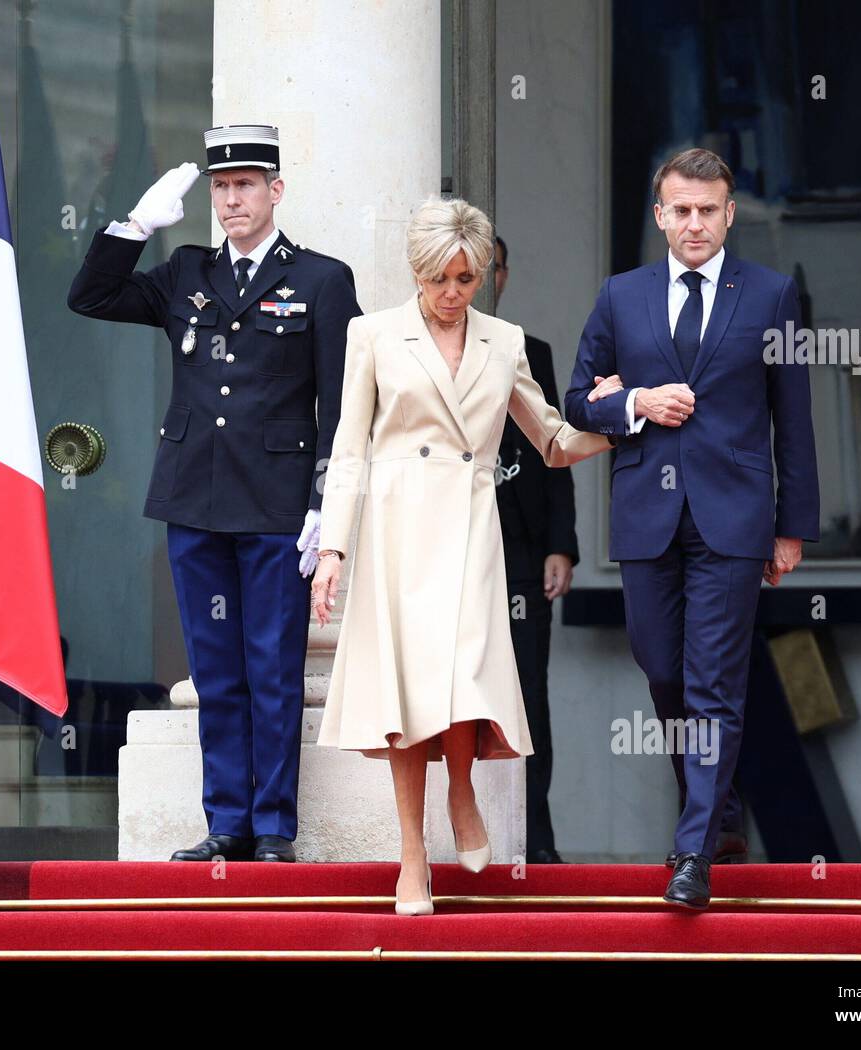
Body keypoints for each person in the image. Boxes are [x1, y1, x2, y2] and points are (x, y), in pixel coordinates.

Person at [310, 198, 618, 914]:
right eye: (441, 279)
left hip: (472, 528)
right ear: (417, 273)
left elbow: (550, 441)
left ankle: (461, 790)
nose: (453, 293)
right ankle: (412, 858)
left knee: (464, 672)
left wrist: (618, 421)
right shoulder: (374, 335)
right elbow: (348, 451)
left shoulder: (505, 342)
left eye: (467, 278)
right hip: (396, 529)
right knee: (409, 697)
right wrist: (333, 550)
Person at [67, 124, 361, 863]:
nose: (232, 200)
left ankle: (273, 828)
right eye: (222, 188)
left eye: (246, 186)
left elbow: (346, 401)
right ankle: (226, 820)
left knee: (272, 670)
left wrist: (326, 505)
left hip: (276, 504)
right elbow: (91, 296)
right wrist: (133, 226)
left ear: (275, 191)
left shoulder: (323, 279)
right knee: (216, 670)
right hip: (195, 499)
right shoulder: (186, 272)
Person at [564, 147, 819, 909]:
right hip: (647, 515)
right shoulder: (620, 295)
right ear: (659, 215)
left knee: (714, 682)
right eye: (681, 209)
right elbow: (577, 399)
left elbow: (794, 418)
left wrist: (792, 526)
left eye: (709, 210)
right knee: (664, 670)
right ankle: (723, 815)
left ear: (730, 213)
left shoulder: (771, 294)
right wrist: (636, 402)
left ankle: (693, 849)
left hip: (735, 519)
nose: (695, 222)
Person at [492, 234, 578, 864]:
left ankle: (535, 843)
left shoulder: (530, 351)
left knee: (529, 701)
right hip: (456, 550)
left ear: (503, 274)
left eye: (486, 270)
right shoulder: (421, 346)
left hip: (523, 552)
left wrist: (561, 545)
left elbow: (558, 453)